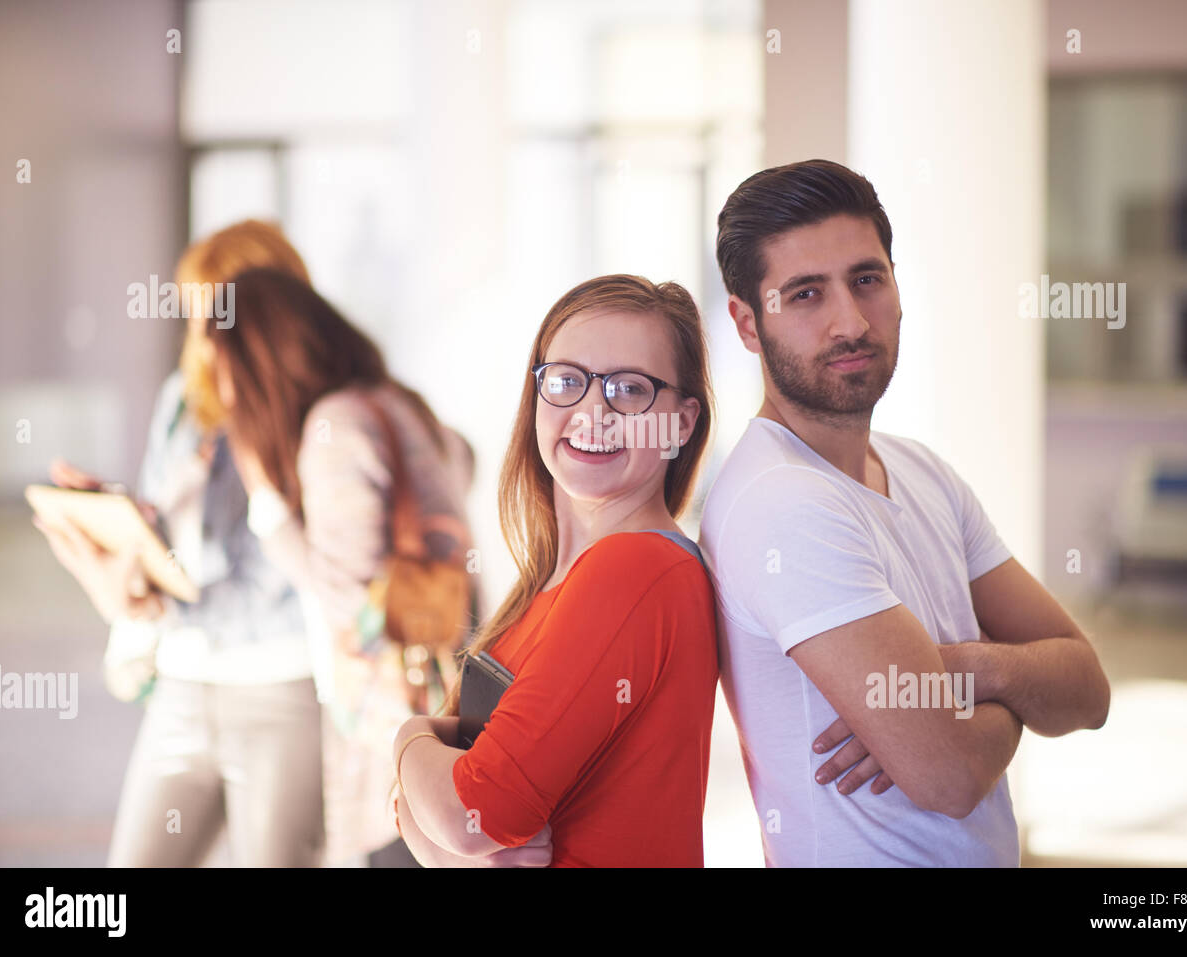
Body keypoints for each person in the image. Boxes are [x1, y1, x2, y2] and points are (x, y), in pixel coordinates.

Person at [699, 159, 1112, 867]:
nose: (851, 322)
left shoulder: (921, 471)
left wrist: (962, 669)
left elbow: (1088, 688)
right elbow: (948, 776)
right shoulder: (782, 502)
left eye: (867, 279)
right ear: (745, 323)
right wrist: (1014, 684)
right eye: (804, 294)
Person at [389, 274, 718, 867]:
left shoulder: (636, 569)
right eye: (567, 381)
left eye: (630, 389)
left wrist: (408, 736)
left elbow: (469, 817)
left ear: (683, 421)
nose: (594, 412)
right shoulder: (547, 581)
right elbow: (431, 822)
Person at [35, 220, 324, 866]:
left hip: (278, 689)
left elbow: (273, 587)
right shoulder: (181, 400)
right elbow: (167, 529)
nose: (202, 334)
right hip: (183, 685)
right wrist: (119, 518)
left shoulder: (313, 418)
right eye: (196, 314)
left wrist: (151, 606)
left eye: (220, 316)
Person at [201, 267, 475, 867]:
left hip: (394, 736)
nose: (223, 393)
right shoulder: (402, 404)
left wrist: (268, 506)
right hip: (445, 706)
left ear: (258, 364)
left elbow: (355, 608)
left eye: (225, 368)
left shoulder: (336, 430)